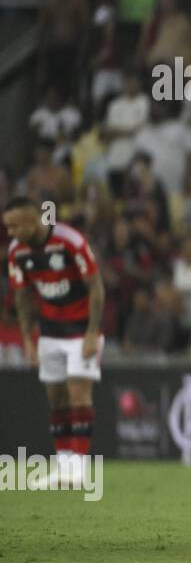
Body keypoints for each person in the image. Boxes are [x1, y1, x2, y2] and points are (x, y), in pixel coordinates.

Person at [4, 197, 105, 486]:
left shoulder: (69, 241)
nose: (10, 233)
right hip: (50, 332)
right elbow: (22, 297)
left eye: (14, 226)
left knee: (78, 394)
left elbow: (96, 287)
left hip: (81, 330)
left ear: (33, 220)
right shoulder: (17, 252)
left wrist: (91, 332)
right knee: (56, 397)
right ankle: (63, 466)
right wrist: (27, 338)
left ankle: (81, 469)